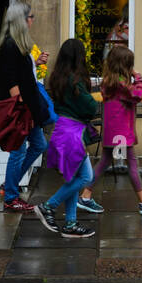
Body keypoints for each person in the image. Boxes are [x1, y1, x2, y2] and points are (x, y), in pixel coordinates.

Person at [78, 45, 142, 215]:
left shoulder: (109, 81)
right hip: (121, 134)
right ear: (125, 65)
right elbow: (138, 94)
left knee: (104, 161)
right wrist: (138, 77)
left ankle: (85, 196)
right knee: (132, 163)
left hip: (114, 131)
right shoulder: (120, 84)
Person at [34, 38, 98, 238]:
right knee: (86, 177)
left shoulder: (57, 77)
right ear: (79, 57)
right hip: (74, 134)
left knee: (73, 177)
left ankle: (70, 223)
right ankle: (48, 206)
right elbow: (91, 107)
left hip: (63, 130)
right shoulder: (75, 79)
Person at [0, 2, 50, 212]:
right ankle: (11, 195)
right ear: (21, 20)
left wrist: (34, 63)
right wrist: (23, 110)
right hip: (22, 109)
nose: (33, 20)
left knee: (39, 145)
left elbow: (19, 71)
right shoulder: (10, 45)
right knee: (18, 151)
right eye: (30, 16)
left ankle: (10, 184)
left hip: (29, 107)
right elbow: (10, 81)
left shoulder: (19, 45)